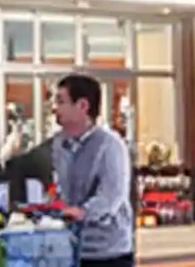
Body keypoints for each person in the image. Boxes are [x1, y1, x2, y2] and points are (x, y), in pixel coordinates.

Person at [50, 73, 134, 266]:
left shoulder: (110, 145)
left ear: (82, 106)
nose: (55, 109)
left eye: (61, 101)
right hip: (72, 247)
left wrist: (80, 212)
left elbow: (111, 197)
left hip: (108, 252)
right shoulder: (59, 144)